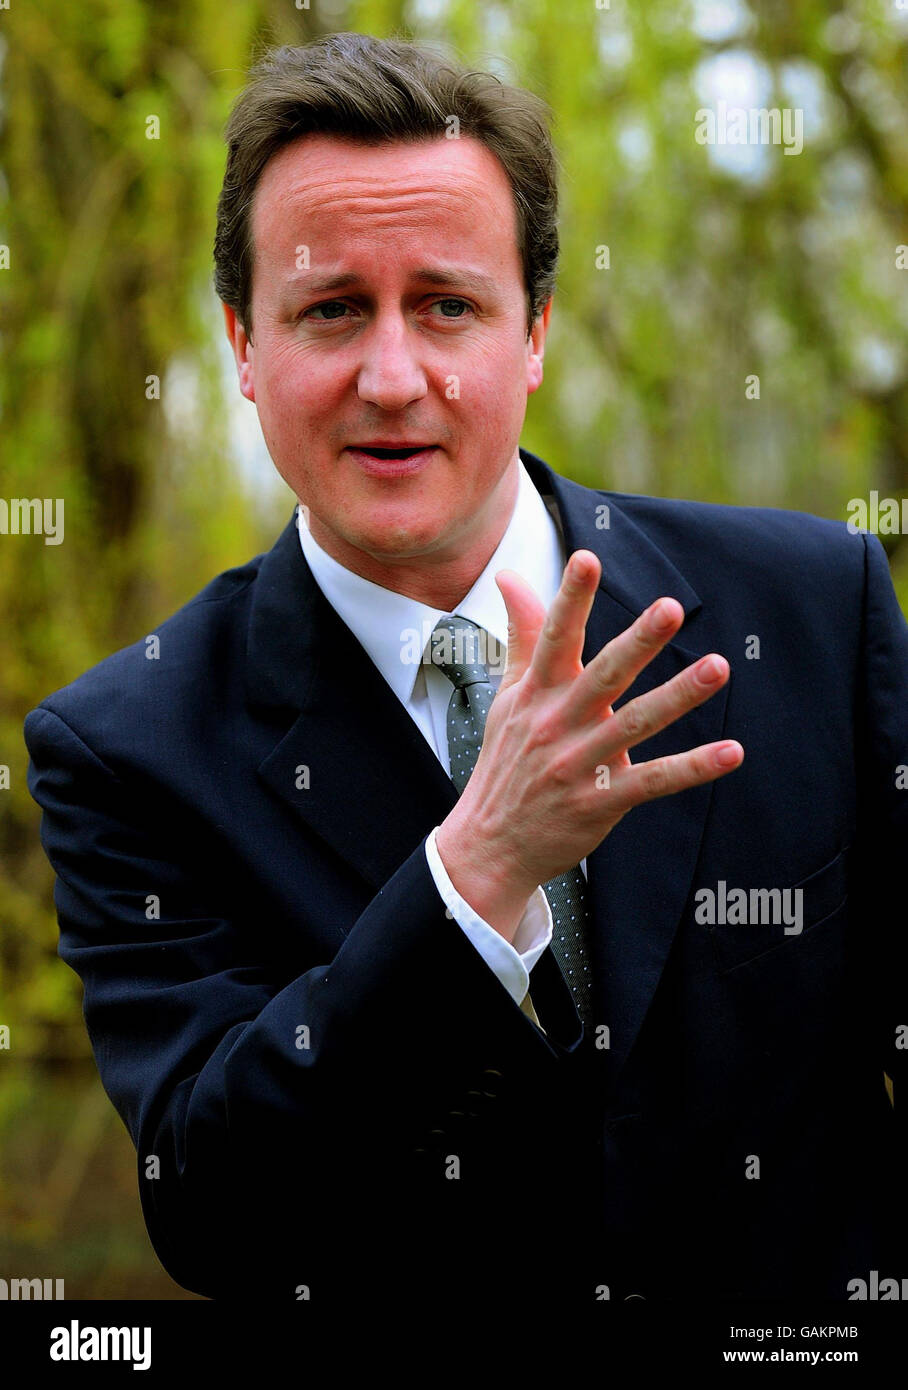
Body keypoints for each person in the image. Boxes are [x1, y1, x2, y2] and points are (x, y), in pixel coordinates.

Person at [25, 32, 907, 1307]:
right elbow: (216, 1208)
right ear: (243, 345)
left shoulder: (815, 609)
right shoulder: (124, 749)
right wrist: (475, 874)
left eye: (446, 303)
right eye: (331, 310)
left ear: (534, 330)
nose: (392, 379)